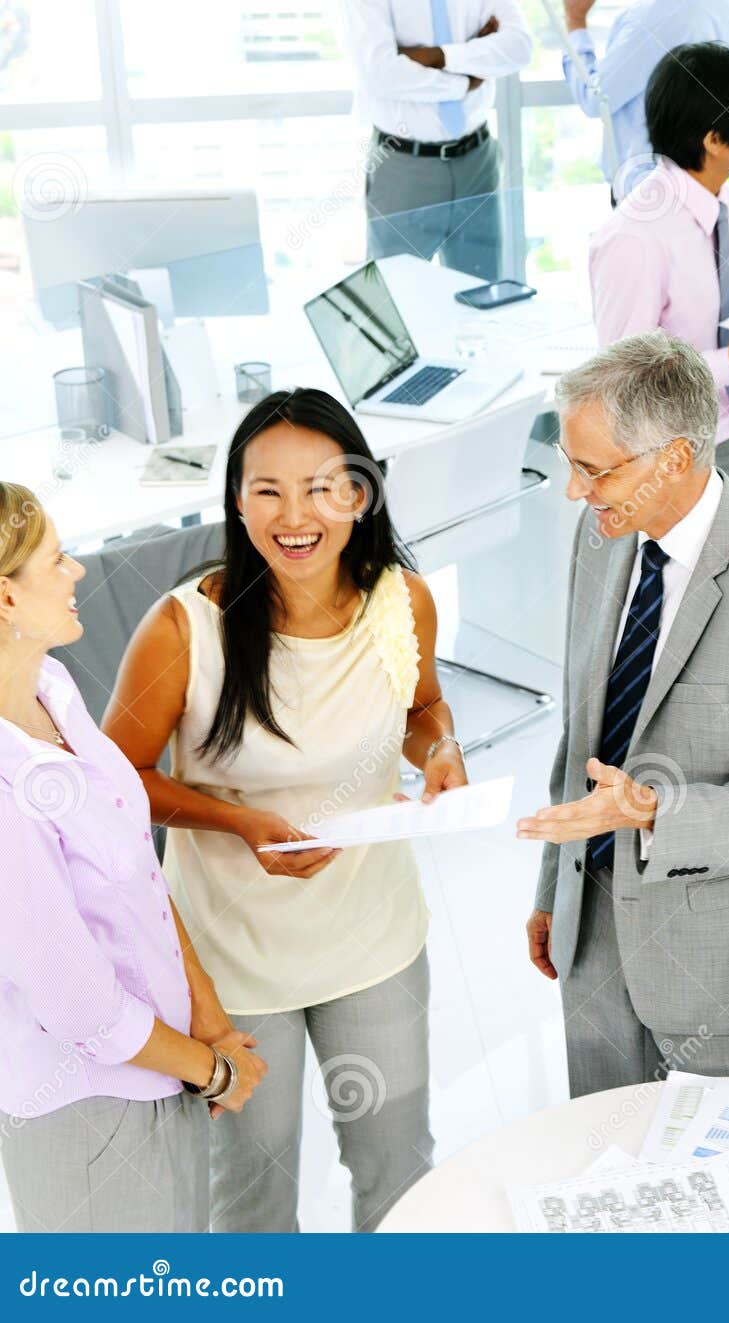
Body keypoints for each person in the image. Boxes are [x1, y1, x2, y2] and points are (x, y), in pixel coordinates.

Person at [102, 389, 469, 1233]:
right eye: (267, 489)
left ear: (359, 496)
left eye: (320, 487)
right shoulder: (181, 630)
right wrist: (239, 822)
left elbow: (422, 708)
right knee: (253, 1199)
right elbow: (116, 781)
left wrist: (441, 749)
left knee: (398, 1169)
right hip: (231, 958)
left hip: (372, 935)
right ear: (236, 497)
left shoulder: (402, 600)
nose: (294, 515)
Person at [518, 331, 729, 1095]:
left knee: (722, 1199)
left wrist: (652, 810)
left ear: (673, 457)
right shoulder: (601, 538)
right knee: (609, 1177)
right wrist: (555, 891)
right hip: (594, 935)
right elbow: (584, 733)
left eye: (594, 470)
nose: (576, 490)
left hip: (725, 965)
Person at [0, 483, 266, 1233]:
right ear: (6, 601)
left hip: (163, 1072)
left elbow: (137, 874)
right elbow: (77, 1003)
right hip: (89, 1116)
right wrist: (210, 1068)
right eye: (57, 560)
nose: (79, 571)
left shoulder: (53, 692)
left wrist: (208, 1017)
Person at [588, 41, 729, 515]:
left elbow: (723, 310)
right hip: (677, 462)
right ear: (714, 139)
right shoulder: (634, 236)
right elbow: (624, 384)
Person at [343, 0, 533, 281]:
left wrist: (438, 56)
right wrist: (465, 81)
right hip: (404, 167)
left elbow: (519, 46)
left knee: (481, 295)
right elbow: (382, 74)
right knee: (397, 300)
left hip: (477, 161)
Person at [560, 0, 729, 201]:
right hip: (701, 183)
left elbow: (596, 98)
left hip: (647, 189)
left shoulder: (658, 17)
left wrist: (575, 21)